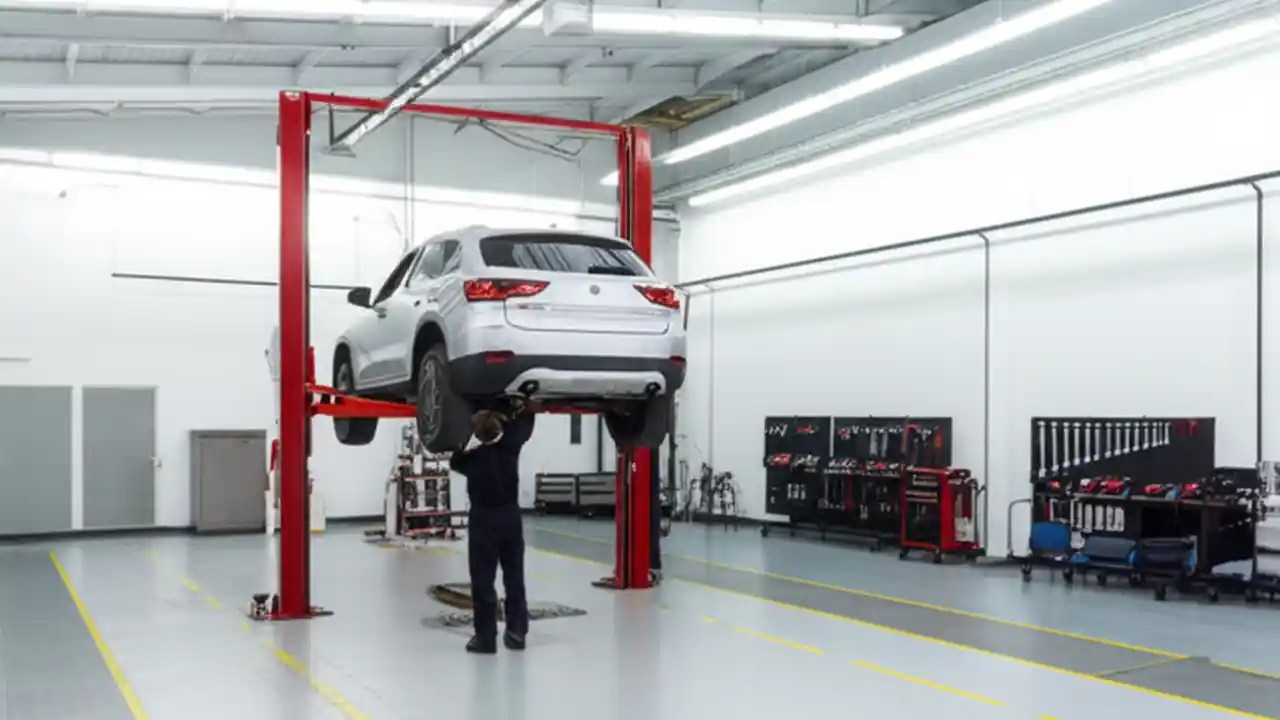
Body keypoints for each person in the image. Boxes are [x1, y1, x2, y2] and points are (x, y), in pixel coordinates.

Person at [450, 399, 536, 654]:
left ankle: (486, 638)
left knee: (483, 580)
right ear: (501, 430)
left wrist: (467, 434)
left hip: (483, 521)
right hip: (510, 518)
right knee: (514, 577)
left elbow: (455, 458)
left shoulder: (472, 460)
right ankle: (516, 632)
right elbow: (525, 426)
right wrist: (525, 406)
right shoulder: (510, 449)